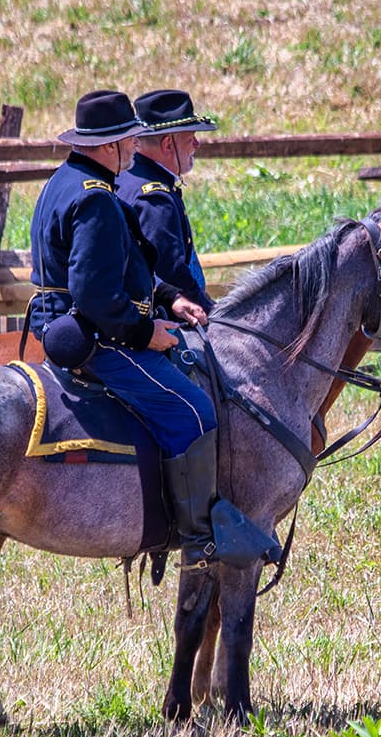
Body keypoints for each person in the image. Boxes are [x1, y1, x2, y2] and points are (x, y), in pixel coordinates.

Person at [29, 89, 276, 570]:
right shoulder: (95, 199)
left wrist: (167, 296)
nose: (133, 148)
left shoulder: (69, 179)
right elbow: (97, 296)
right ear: (108, 146)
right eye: (128, 140)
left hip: (65, 319)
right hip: (96, 335)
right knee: (194, 409)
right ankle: (200, 537)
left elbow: (124, 265)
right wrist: (146, 334)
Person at [118, 89, 216, 313]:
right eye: (190, 138)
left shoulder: (127, 176)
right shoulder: (154, 198)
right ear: (168, 146)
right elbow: (171, 273)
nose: (197, 145)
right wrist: (210, 309)